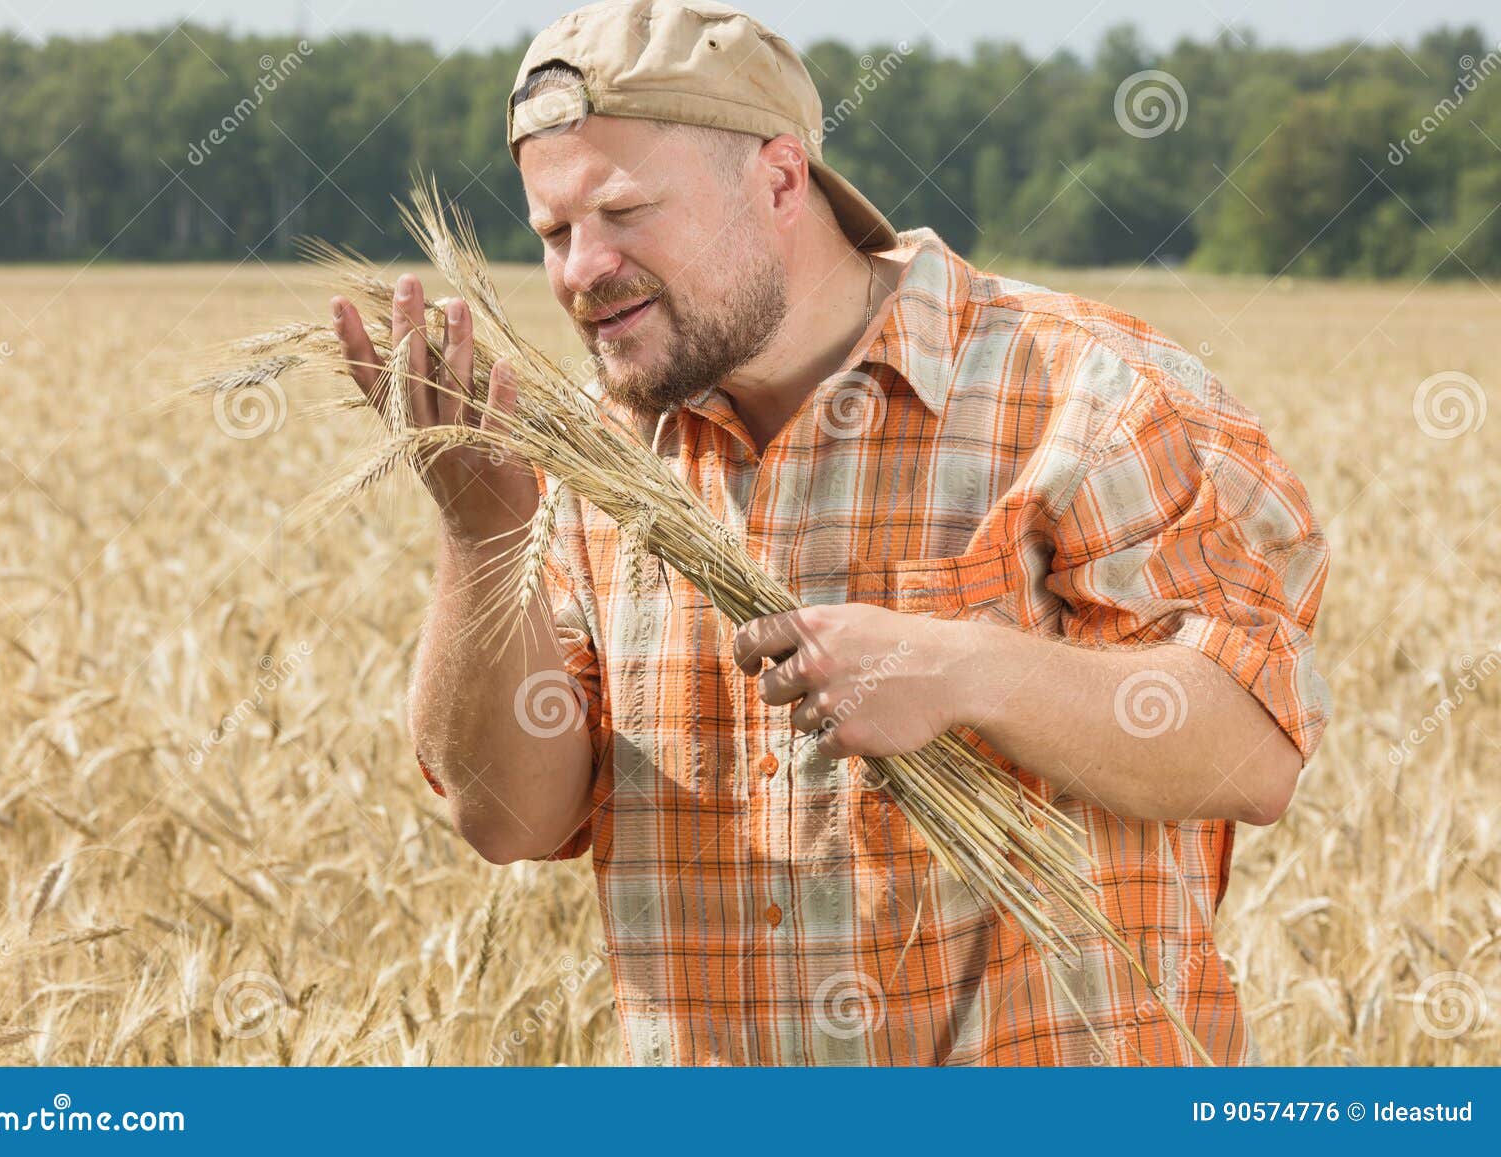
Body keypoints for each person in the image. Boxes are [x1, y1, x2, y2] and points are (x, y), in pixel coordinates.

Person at [329, 0, 1331, 1065]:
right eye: (555, 232)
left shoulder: (1091, 392)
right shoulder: (595, 457)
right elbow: (512, 820)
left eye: (624, 213)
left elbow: (1252, 745)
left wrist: (960, 669)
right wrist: (483, 538)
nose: (581, 271)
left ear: (777, 181)